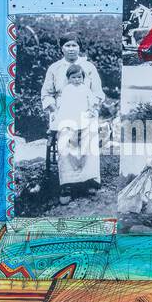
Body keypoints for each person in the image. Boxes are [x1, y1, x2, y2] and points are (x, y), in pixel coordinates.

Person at [51, 62, 101, 203]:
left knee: (90, 141)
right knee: (65, 144)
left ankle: (89, 179)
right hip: (69, 119)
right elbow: (62, 107)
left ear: (83, 78)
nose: (77, 80)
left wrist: (92, 109)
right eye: (74, 77)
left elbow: (92, 101)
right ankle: (67, 183)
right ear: (68, 78)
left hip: (84, 119)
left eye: (79, 77)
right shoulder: (66, 90)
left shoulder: (86, 89)